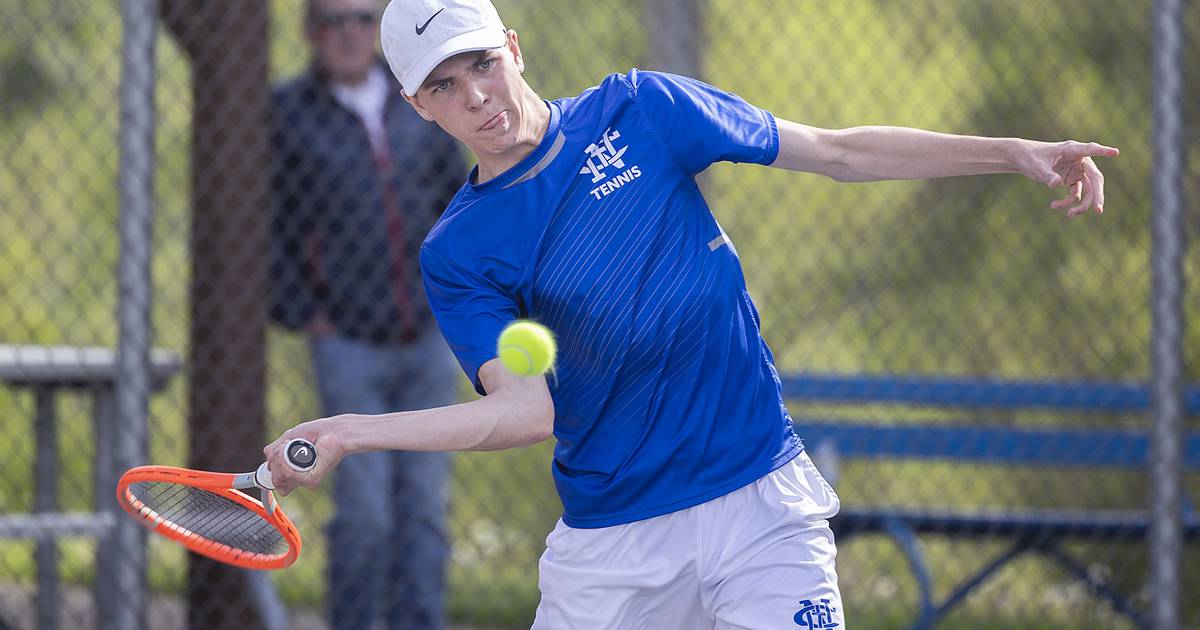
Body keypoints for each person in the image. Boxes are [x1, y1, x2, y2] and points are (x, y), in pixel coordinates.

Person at [265, 0, 1119, 627]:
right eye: (445, 86)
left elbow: (839, 151)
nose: (478, 97)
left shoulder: (642, 110)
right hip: (614, 544)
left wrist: (1013, 152)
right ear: (418, 105)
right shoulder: (460, 251)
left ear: (514, 48)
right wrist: (350, 432)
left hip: (760, 502)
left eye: (483, 63)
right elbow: (524, 413)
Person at [268, 0, 467, 628]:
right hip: (347, 340)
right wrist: (307, 313)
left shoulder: (419, 99)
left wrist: (456, 299)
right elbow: (269, 225)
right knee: (366, 512)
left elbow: (459, 202)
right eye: (333, 21)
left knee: (424, 509)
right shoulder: (288, 112)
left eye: (361, 18)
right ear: (311, 31)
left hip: (428, 336)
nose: (349, 34)